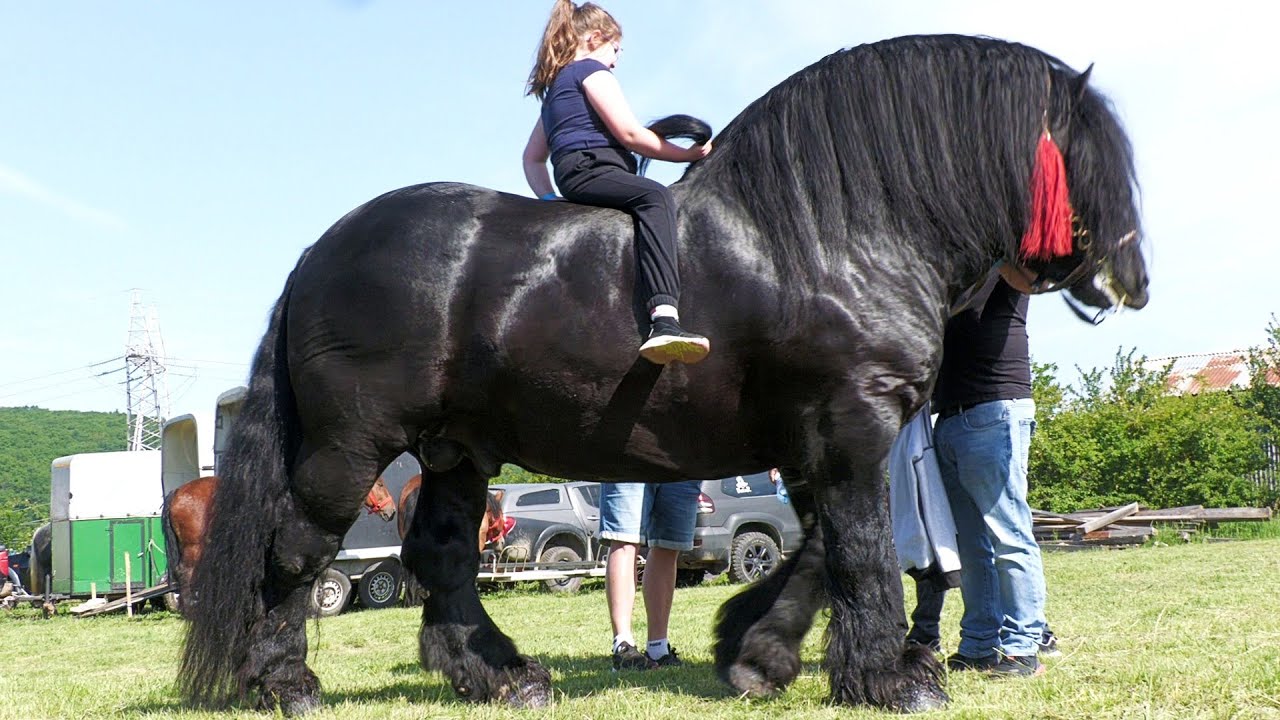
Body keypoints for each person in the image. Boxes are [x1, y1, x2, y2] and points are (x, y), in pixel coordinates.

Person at [522, 0, 712, 365]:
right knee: (655, 198)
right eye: (615, 50)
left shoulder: (556, 91)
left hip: (573, 176)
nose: (615, 60)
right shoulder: (592, 72)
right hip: (595, 168)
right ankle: (665, 320)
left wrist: (548, 198)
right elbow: (629, 133)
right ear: (595, 39)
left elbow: (532, 158)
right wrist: (687, 156)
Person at [921, 267, 1053, 677]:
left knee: (1009, 535)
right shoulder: (951, 278)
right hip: (951, 420)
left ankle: (1023, 645)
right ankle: (979, 644)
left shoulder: (1008, 269)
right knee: (971, 546)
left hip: (996, 411)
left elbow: (1038, 270)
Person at [599, 480, 701, 670]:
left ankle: (658, 648)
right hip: (629, 457)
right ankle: (623, 647)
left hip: (680, 463)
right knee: (624, 540)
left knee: (669, 546)